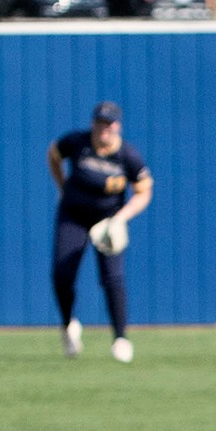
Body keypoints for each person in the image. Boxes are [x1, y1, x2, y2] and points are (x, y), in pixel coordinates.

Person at [48, 101, 153, 363]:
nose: (103, 128)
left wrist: (121, 218)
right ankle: (68, 325)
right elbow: (53, 155)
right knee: (62, 274)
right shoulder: (77, 143)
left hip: (107, 220)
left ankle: (120, 338)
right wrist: (62, 187)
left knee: (112, 277)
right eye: (99, 122)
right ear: (93, 123)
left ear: (117, 126)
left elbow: (144, 190)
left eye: (109, 124)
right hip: (74, 216)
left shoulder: (127, 156)